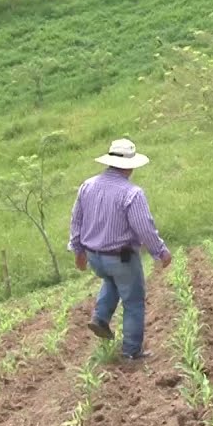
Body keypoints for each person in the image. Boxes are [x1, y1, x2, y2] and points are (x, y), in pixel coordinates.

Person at [68, 138, 173, 360]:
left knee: (111, 280)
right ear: (130, 166)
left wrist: (78, 250)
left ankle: (100, 317)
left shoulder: (87, 186)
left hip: (95, 256)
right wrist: (160, 251)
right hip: (121, 257)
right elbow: (144, 227)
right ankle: (131, 352)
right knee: (133, 302)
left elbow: (76, 220)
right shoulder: (131, 193)